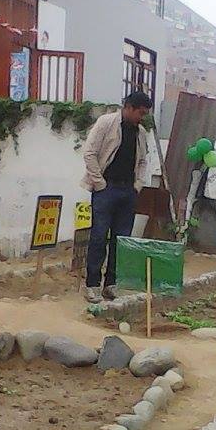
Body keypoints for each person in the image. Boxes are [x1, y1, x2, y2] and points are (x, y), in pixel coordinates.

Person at [81, 91, 152, 303]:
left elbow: (142, 161)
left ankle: (110, 284)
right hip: (106, 189)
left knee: (121, 241)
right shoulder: (106, 123)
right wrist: (100, 183)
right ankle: (92, 285)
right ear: (128, 107)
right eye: (140, 113)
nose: (142, 118)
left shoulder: (140, 132)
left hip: (127, 192)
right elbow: (89, 153)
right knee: (98, 237)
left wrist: (137, 185)